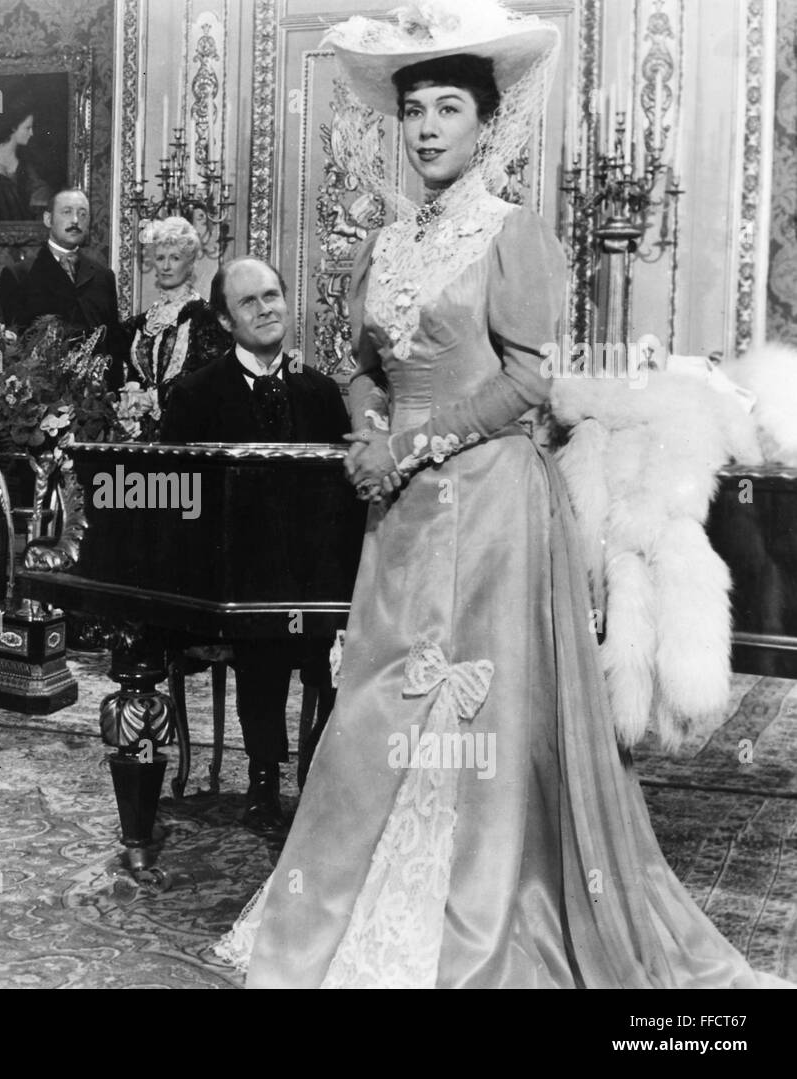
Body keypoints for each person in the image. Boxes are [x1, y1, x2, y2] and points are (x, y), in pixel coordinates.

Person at [215, 0, 788, 988]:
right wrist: (366, 431)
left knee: (478, 718)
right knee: (377, 709)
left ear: (486, 125)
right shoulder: (386, 247)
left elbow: (527, 380)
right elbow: (355, 363)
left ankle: (476, 911)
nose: (427, 126)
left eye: (447, 107)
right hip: (399, 518)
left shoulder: (512, 234)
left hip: (491, 503)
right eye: (414, 111)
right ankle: (353, 908)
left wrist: (408, 445)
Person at [161, 257, 353, 831]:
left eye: (273, 296)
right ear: (224, 321)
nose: (266, 309)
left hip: (315, 576)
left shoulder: (320, 392)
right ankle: (264, 779)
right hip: (234, 579)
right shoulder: (195, 394)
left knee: (355, 640)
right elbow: (178, 499)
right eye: (250, 302)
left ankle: (326, 774)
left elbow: (342, 497)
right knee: (263, 632)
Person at [0, 188, 129, 379]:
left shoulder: (103, 276)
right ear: (48, 219)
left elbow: (113, 346)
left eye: (83, 214)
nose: (75, 220)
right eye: (67, 212)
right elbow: (7, 347)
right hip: (40, 396)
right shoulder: (19, 276)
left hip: (96, 397)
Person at [123, 216, 227, 410]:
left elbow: (207, 379)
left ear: (190, 264)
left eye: (175, 258)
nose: (166, 266)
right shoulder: (138, 324)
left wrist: (156, 398)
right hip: (140, 430)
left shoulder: (206, 318)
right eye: (161, 257)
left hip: (187, 424)